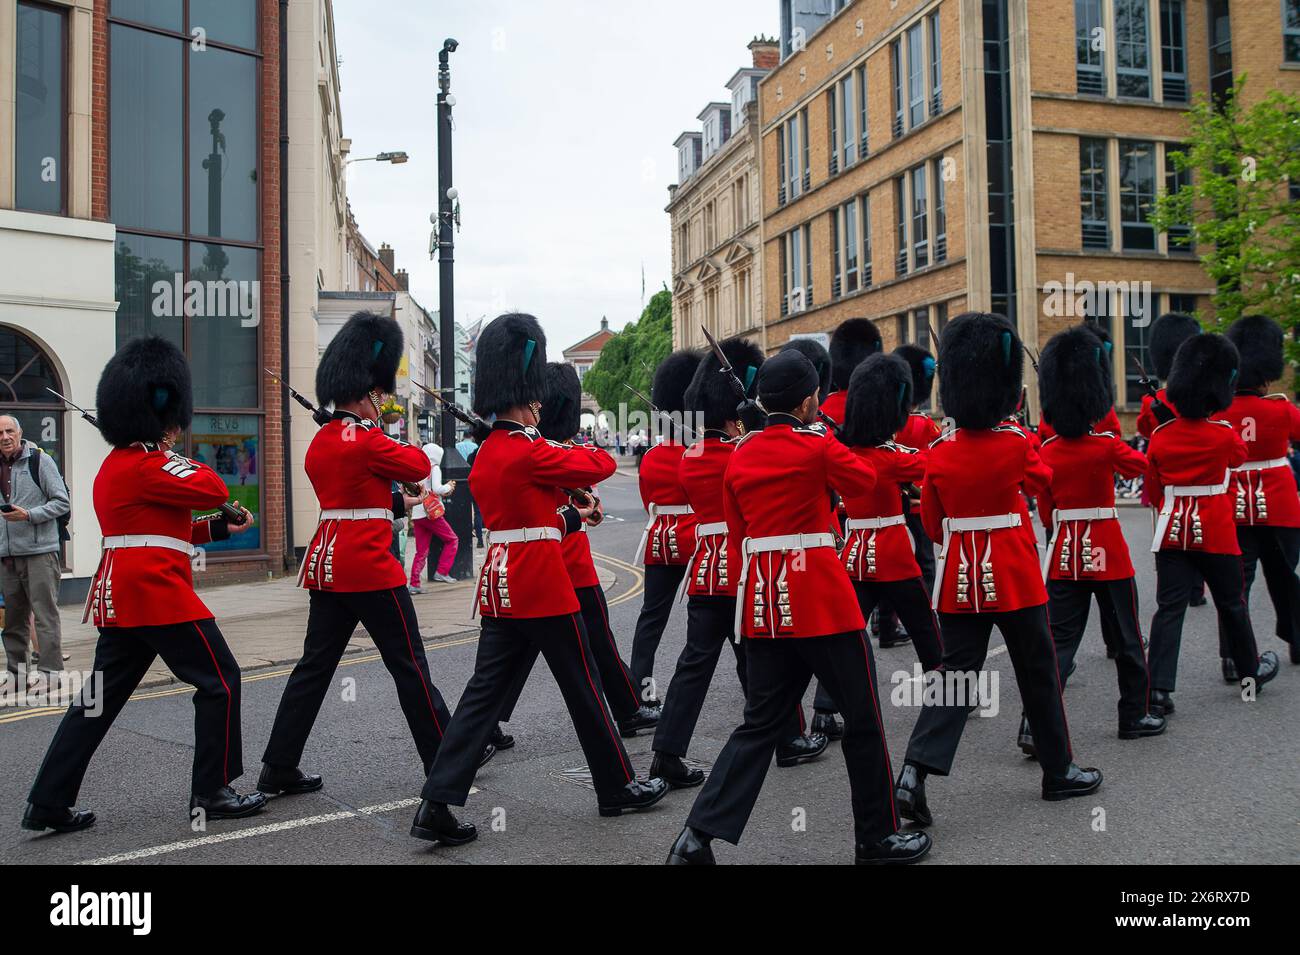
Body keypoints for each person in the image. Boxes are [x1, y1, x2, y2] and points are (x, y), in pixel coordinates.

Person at [666, 348, 930, 866]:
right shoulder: (817, 445)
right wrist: (825, 437)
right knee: (863, 717)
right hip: (822, 604)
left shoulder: (742, 453)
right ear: (810, 401)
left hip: (764, 603)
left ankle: (696, 837)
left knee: (759, 725)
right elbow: (863, 483)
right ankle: (876, 838)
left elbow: (740, 534)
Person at [410, 314, 666, 847]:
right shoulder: (528, 449)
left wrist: (567, 508)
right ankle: (617, 785)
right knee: (584, 687)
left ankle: (437, 800)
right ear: (526, 396)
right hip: (543, 586)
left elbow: (535, 515)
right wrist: (555, 446)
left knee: (483, 695)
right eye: (535, 401)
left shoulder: (490, 455)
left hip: (502, 585)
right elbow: (595, 461)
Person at [23, 336, 263, 833]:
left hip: (122, 594)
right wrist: (165, 450)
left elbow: (160, 531)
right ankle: (212, 791)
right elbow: (214, 487)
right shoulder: (148, 464)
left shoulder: (118, 467)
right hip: (156, 593)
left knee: (96, 702)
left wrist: (218, 527)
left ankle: (47, 801)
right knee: (220, 681)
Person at [893, 313, 1102, 829]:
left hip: (960, 578)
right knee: (1038, 670)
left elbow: (933, 525)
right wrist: (1021, 428)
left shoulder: (938, 453)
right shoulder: (1015, 445)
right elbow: (1042, 479)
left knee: (956, 678)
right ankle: (1058, 770)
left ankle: (913, 773)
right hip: (1013, 573)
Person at [259, 311, 464, 799]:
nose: (382, 400)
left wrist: (386, 484)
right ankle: (445, 764)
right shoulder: (367, 439)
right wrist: (380, 436)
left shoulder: (323, 441)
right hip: (368, 564)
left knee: (313, 668)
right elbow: (416, 463)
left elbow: (355, 496)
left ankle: (278, 764)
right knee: (410, 666)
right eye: (378, 394)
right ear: (367, 391)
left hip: (328, 563)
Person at [650, 339, 826, 791]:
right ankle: (787, 739)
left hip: (706, 572)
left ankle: (667, 753)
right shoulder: (741, 454)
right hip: (744, 572)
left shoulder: (691, 459)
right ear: (734, 414)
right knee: (766, 662)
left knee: (695, 664)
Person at [496, 362, 659, 740]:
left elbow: (580, 493)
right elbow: (596, 468)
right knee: (596, 641)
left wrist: (587, 503)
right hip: (566, 561)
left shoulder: (535, 448)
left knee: (517, 655)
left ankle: (486, 725)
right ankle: (628, 709)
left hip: (544, 561)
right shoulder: (545, 451)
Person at [1027, 325, 1165, 751]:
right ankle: (1133, 714)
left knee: (1059, 646)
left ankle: (1034, 726)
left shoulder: (1046, 451)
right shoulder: (1106, 447)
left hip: (1064, 551)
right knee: (1126, 637)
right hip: (1107, 550)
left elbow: (1044, 505)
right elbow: (1145, 466)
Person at [1145, 332, 1281, 713]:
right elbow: (1238, 458)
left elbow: (1154, 490)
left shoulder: (1159, 437)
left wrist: (1172, 424)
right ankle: (1249, 675)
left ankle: (1158, 691)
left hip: (1172, 533)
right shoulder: (1223, 435)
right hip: (1217, 534)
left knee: (1168, 609)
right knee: (1232, 604)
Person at [835, 353, 944, 673]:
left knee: (847, 631)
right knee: (925, 625)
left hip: (856, 554)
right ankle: (947, 688)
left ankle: (825, 708)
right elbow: (933, 463)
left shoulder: (846, 454)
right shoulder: (892, 459)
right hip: (893, 555)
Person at [1221, 315, 1300, 671]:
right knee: (1285, 578)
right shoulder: (1282, 409)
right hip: (1280, 507)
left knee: (1236, 588)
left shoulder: (1219, 413)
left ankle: (1232, 657)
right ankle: (1297, 642)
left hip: (1233, 508)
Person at [629, 350, 701, 706]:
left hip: (659, 541)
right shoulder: (698, 454)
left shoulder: (653, 457)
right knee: (702, 620)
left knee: (650, 620)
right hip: (696, 542)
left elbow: (648, 503)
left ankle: (639, 690)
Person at [0, 415, 70, 684]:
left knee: (44, 617)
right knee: (13, 622)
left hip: (40, 552)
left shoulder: (39, 460)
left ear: (19, 433)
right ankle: (17, 676)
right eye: (0, 433)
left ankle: (51, 675)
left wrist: (28, 515)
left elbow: (61, 502)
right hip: (6, 555)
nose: (5, 437)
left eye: (9, 431)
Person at [409, 441, 459, 590]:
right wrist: (449, 486)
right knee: (452, 540)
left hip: (418, 513)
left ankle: (414, 583)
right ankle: (442, 571)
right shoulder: (434, 468)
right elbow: (437, 489)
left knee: (421, 551)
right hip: (431, 513)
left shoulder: (419, 468)